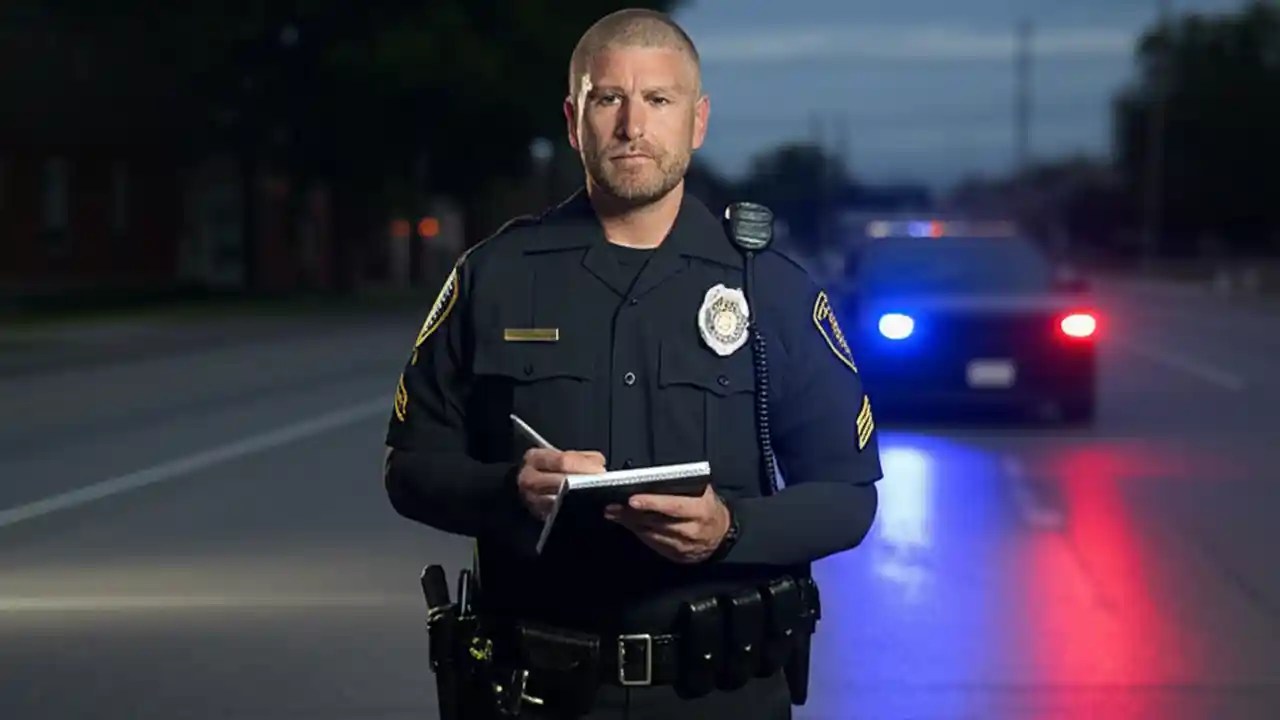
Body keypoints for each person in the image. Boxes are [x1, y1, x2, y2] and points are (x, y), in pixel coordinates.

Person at [383, 8, 883, 719]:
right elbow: (409, 468)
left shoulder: (770, 288)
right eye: (607, 98)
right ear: (572, 117)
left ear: (697, 120)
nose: (631, 126)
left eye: (658, 100)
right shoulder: (494, 276)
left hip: (719, 694)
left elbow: (847, 497)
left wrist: (730, 530)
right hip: (533, 695)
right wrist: (507, 489)